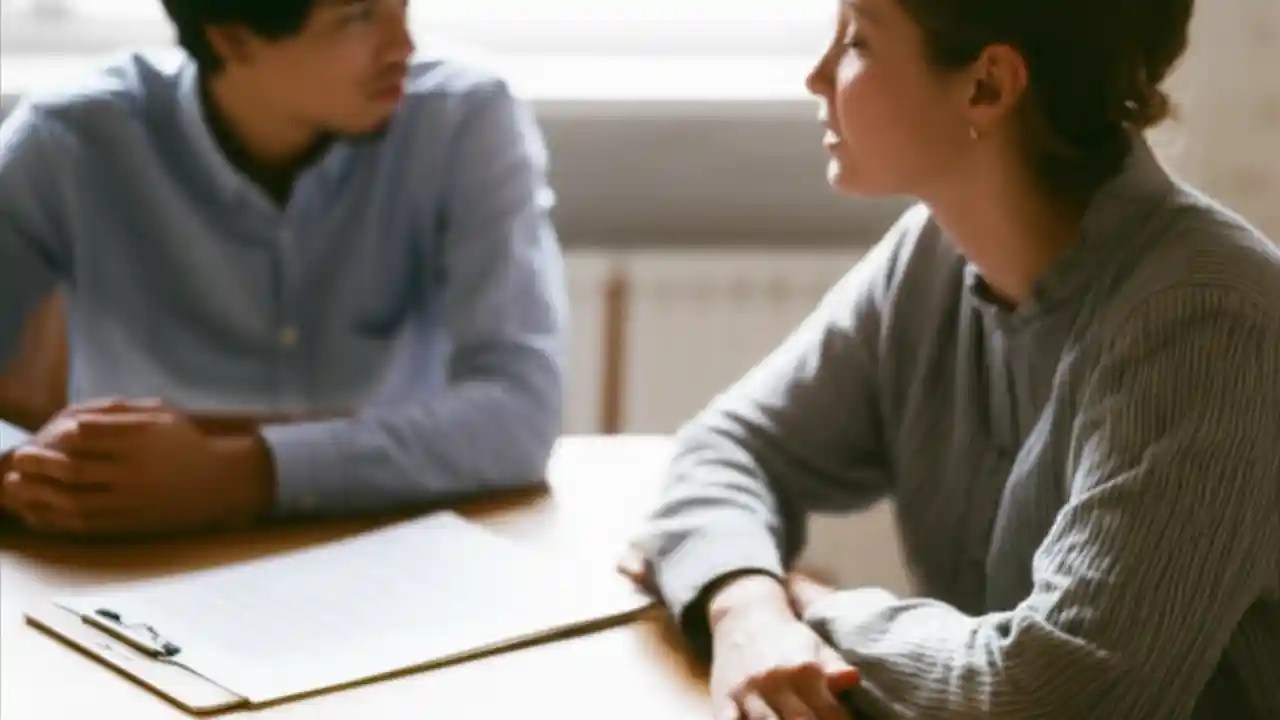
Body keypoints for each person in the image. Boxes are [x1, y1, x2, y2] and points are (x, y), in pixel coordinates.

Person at [626, 0, 1280, 717]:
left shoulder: (1211, 322)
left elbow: (1056, 696)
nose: (816, 76)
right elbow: (722, 449)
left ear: (987, 87)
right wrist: (746, 608)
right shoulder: (930, 259)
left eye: (858, 41)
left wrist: (812, 609)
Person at [0, 0, 566, 537]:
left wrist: (239, 475)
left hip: (398, 542)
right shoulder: (69, 140)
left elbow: (521, 411)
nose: (404, 45)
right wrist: (30, 471)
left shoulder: (464, 117)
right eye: (359, 16)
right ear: (233, 38)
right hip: (134, 551)